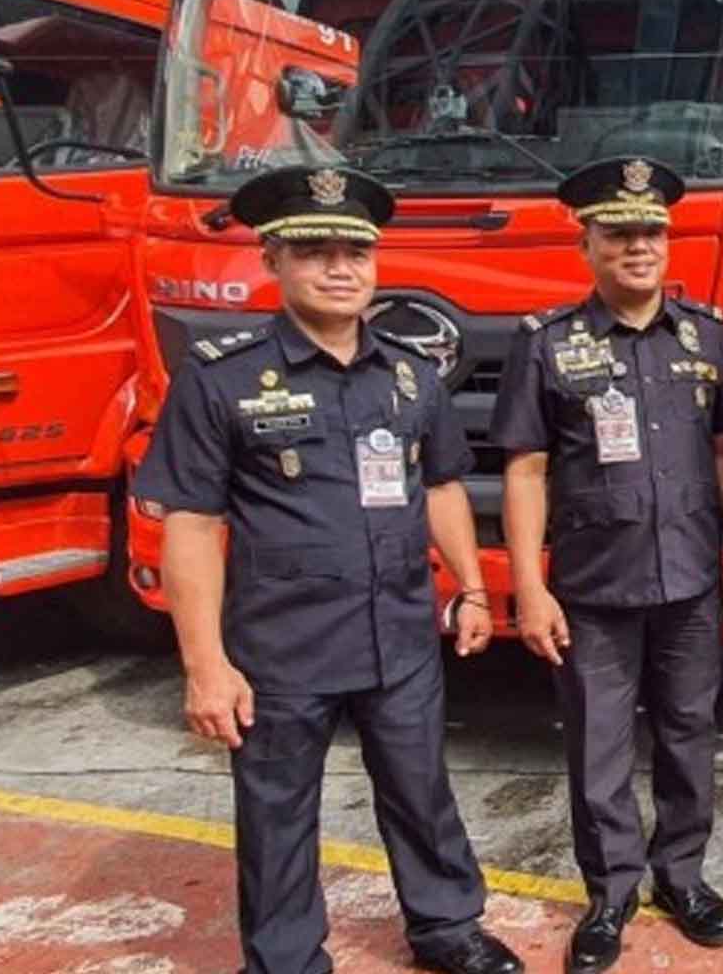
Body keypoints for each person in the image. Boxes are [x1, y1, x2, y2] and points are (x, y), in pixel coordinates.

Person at [134, 165, 521, 974]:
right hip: (282, 650)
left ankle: (447, 928)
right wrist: (205, 666)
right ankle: (283, 959)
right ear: (273, 261)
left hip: (401, 636)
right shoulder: (221, 376)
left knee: (422, 795)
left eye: (355, 249)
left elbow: (443, 484)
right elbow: (193, 526)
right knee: (276, 817)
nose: (340, 268)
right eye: (314, 251)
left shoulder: (410, 373)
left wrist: (473, 589)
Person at [487, 157, 723, 974]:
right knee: (599, 745)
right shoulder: (548, 344)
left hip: (690, 581)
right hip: (593, 587)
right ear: (589, 245)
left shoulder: (706, 335)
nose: (639, 246)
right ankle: (610, 893)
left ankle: (683, 878)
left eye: (652, 232)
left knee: (688, 734)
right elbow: (525, 470)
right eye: (620, 233)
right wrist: (529, 586)